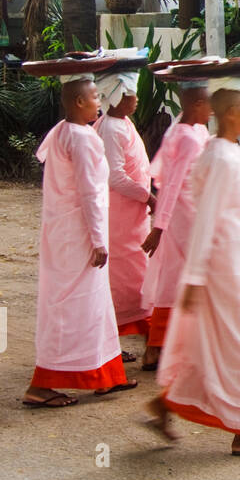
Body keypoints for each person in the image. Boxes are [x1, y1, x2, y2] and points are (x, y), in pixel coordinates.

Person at [148, 77, 240, 457]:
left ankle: (164, 405)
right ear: (228, 114)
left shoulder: (216, 152)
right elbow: (206, 219)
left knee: (209, 345)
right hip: (227, 272)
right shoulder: (222, 157)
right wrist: (194, 277)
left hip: (236, 265)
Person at [22, 72, 133, 407]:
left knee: (92, 303)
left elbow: (46, 158)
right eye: (96, 97)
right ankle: (42, 384)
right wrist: (99, 241)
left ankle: (104, 374)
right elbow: (90, 192)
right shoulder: (82, 137)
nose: (100, 103)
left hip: (64, 229)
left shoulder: (63, 131)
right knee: (72, 305)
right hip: (78, 233)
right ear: (79, 102)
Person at [139, 81, 211, 371]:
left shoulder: (194, 130)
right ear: (195, 103)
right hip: (184, 217)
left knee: (178, 278)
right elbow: (169, 186)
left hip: (196, 213)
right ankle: (159, 347)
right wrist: (159, 227)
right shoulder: (186, 137)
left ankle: (168, 347)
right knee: (180, 278)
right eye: (209, 103)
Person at [93, 64, 155, 351]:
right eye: (131, 93)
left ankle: (144, 334)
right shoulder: (111, 128)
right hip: (121, 214)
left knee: (136, 270)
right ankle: (110, 343)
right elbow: (115, 176)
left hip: (132, 214)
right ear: (116, 97)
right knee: (126, 274)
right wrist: (148, 197)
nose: (137, 98)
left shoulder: (122, 123)